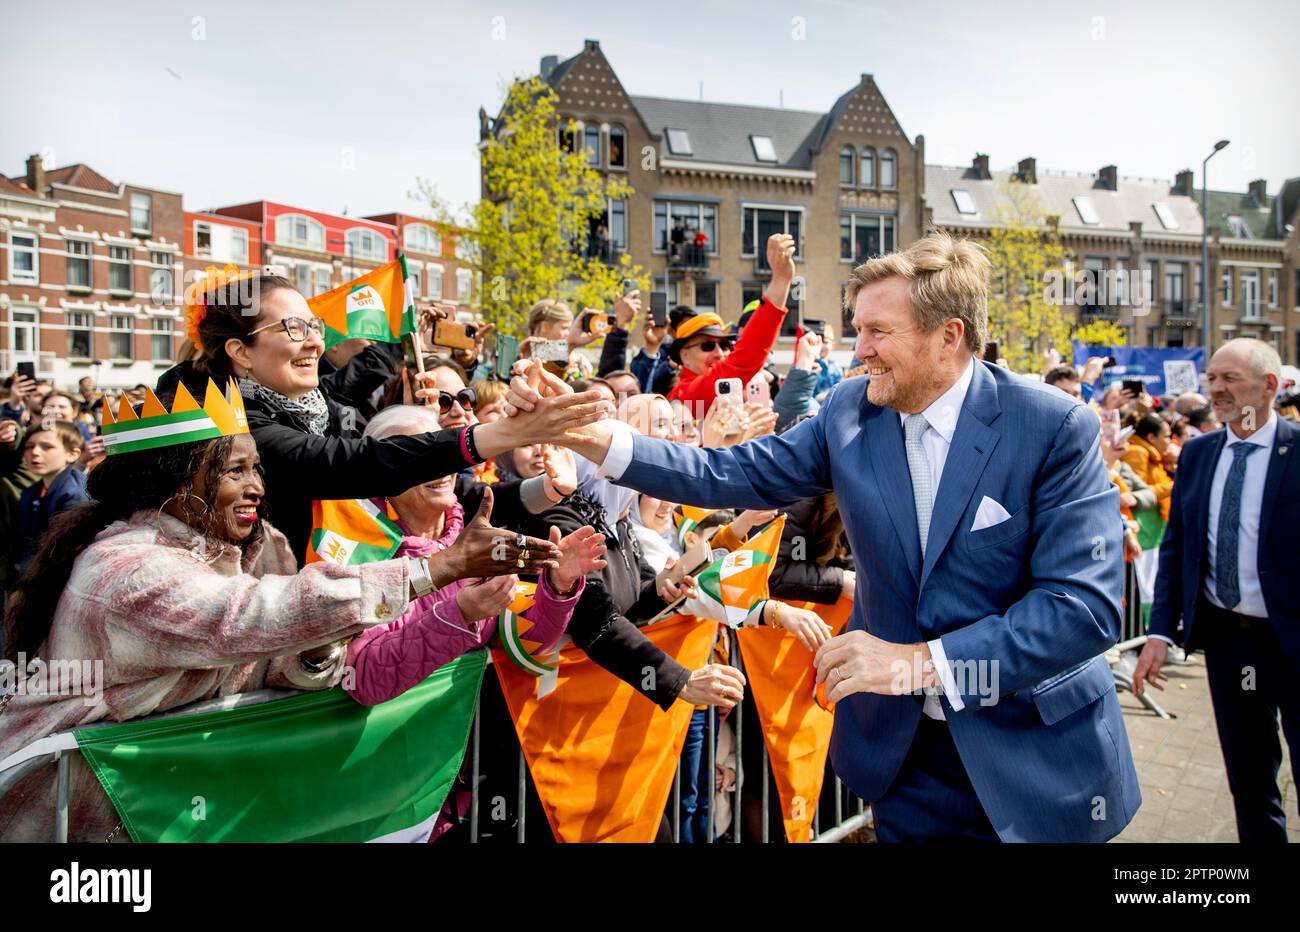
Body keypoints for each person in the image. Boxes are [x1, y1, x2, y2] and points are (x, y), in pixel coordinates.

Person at [521, 231, 1138, 842]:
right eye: (856, 328)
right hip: (903, 763)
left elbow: (1082, 609)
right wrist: (587, 432)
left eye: (877, 332)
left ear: (948, 336)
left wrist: (916, 664)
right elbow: (726, 472)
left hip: (1033, 757)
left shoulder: (1053, 426)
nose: (858, 349)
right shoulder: (849, 411)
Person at [0, 382, 546, 842]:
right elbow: (245, 617)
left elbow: (261, 656)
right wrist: (437, 569)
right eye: (234, 470)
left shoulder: (244, 550)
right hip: (68, 824)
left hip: (160, 816)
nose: (256, 487)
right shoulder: (125, 569)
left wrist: (313, 655)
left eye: (257, 470)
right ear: (173, 481)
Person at [179, 269, 605, 560]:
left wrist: (546, 489)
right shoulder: (227, 426)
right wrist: (502, 434)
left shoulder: (309, 405)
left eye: (315, 326)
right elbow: (358, 463)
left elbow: (462, 499)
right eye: (293, 328)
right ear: (239, 352)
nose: (313, 342)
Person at [1135, 339, 1300, 843]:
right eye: (1211, 379)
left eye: (1230, 378)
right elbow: (1177, 549)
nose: (1216, 389)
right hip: (1231, 645)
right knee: (1249, 783)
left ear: (1269, 385)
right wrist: (1159, 632)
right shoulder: (1201, 454)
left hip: (1293, 642)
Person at [665, 234, 794, 411]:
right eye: (708, 346)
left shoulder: (733, 391)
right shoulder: (685, 394)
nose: (719, 354)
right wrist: (780, 281)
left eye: (725, 345)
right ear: (684, 356)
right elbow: (743, 360)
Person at [16, 420, 88, 571]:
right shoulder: (31, 492)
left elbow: (66, 552)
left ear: (72, 454)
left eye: (47, 447)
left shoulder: (75, 494)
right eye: (29, 446)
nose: (34, 452)